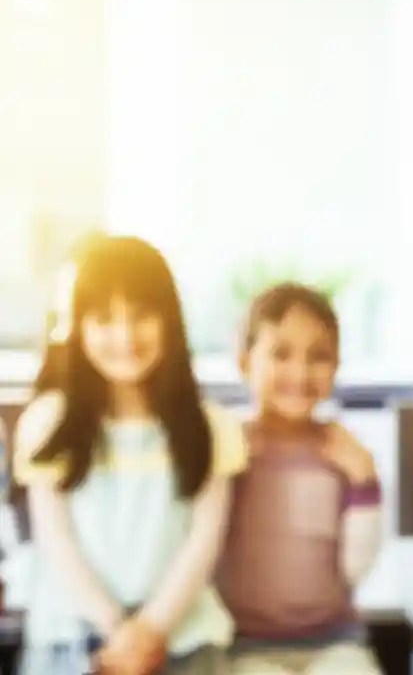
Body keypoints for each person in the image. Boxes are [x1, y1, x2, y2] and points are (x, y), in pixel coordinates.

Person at [10, 235, 245, 674]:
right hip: (74, 638)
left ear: (170, 320)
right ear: (78, 327)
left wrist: (151, 629)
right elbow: (56, 540)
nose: (124, 336)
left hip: (183, 638)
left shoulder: (210, 426)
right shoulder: (48, 423)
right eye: (103, 319)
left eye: (141, 316)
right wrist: (117, 630)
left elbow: (204, 540)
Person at [215, 283, 384, 674]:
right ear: (244, 363)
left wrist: (364, 482)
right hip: (242, 647)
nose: (300, 372)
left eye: (319, 357)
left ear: (337, 366)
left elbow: (356, 569)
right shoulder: (229, 449)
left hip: (334, 641)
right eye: (281, 354)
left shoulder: (346, 455)